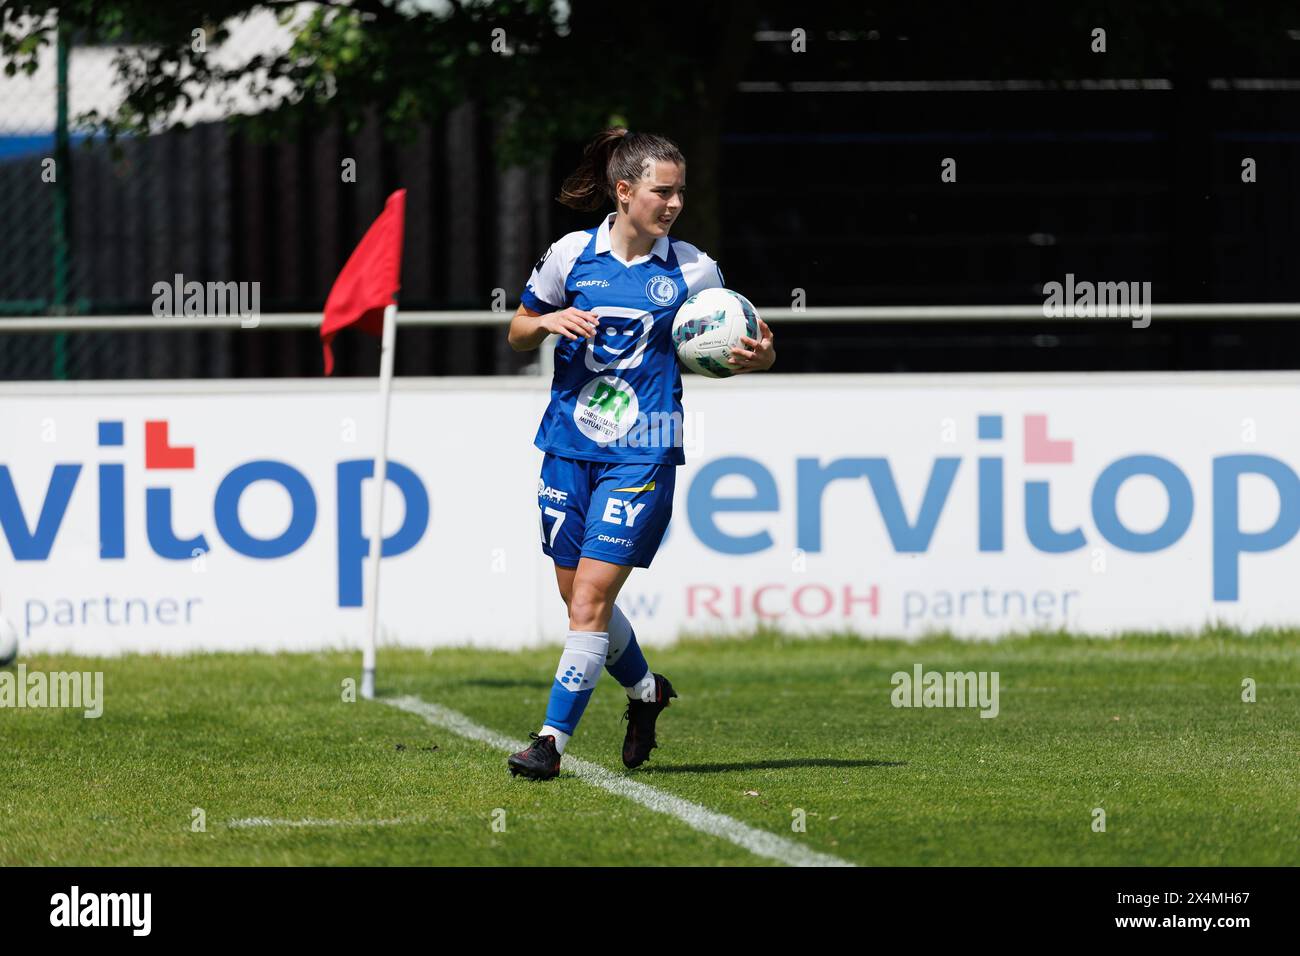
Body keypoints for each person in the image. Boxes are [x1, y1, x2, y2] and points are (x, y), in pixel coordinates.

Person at [504, 128, 776, 780]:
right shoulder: (572, 256)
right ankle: (647, 692)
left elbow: (742, 337)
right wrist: (545, 322)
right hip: (568, 445)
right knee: (579, 599)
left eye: (680, 190)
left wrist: (759, 358)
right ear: (624, 192)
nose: (675, 202)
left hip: (644, 451)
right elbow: (515, 331)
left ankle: (549, 742)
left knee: (590, 599)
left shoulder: (693, 270)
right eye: (663, 190)